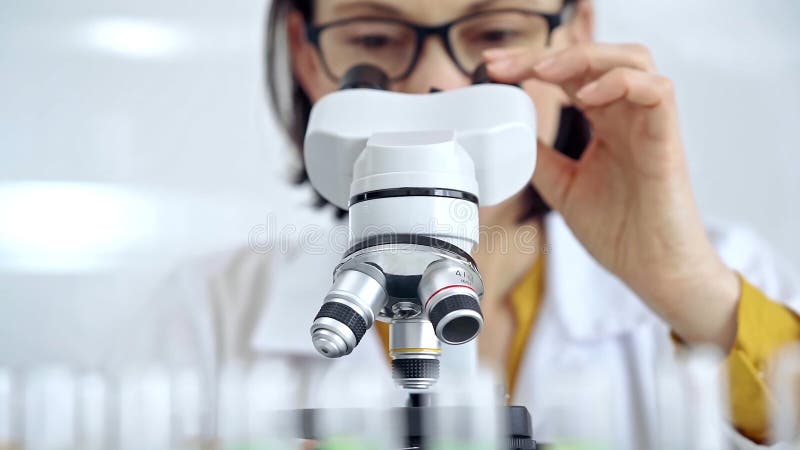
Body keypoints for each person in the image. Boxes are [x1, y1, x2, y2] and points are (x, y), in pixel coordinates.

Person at [131, 0, 800, 447]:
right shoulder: (208, 311)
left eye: (495, 34)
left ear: (575, 34)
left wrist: (679, 280)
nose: (438, 85)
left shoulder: (724, 274)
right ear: (307, 58)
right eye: (374, 40)